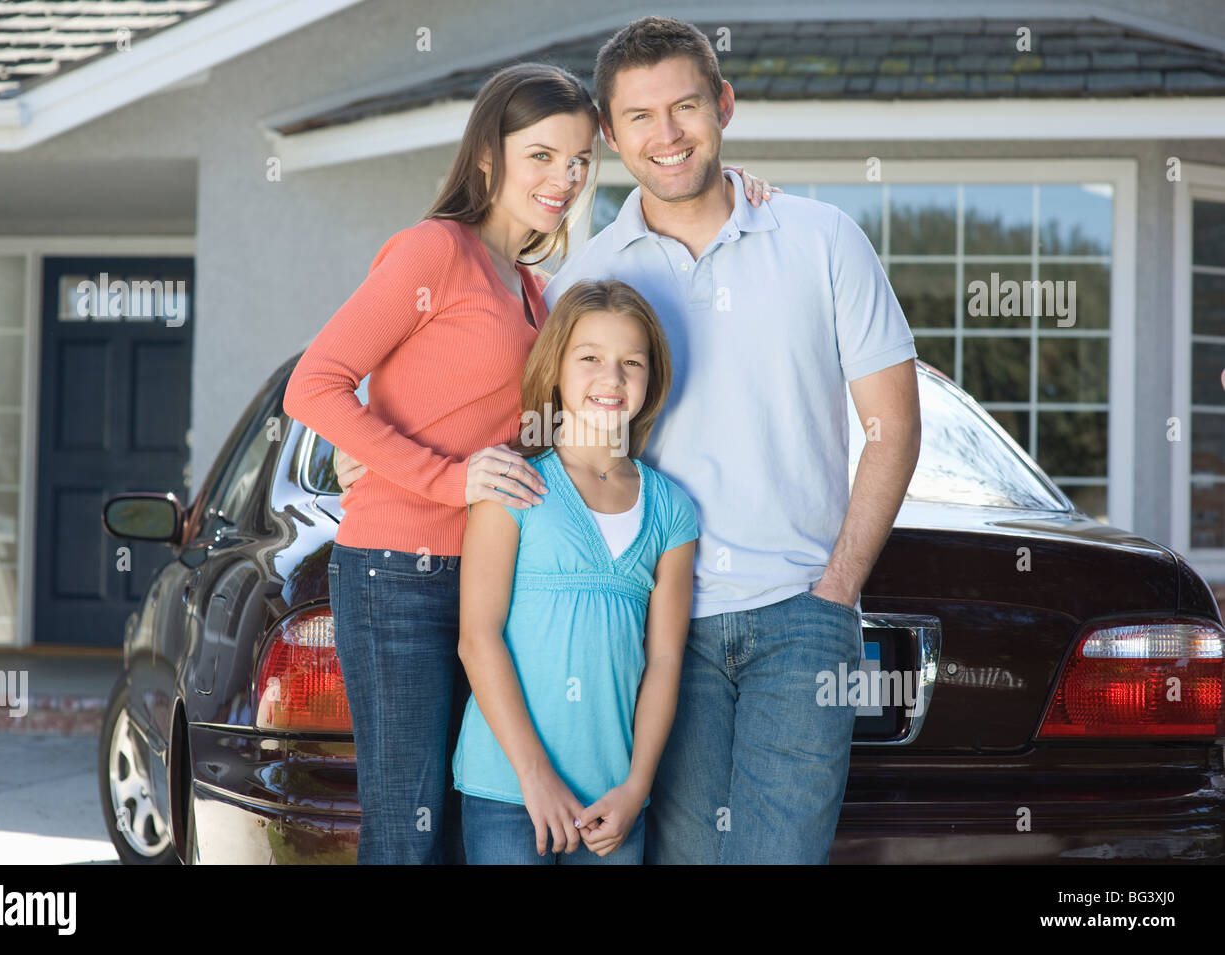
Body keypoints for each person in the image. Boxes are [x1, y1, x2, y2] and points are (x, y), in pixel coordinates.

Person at [284, 60, 775, 864]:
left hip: (492, 579)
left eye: (581, 159)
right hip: (398, 574)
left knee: (463, 821)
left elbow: (569, 408)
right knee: (408, 828)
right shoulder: (432, 252)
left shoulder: (537, 292)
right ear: (489, 157)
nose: (565, 177)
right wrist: (440, 475)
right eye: (541, 155)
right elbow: (315, 386)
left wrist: (728, 190)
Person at [538, 17, 922, 864]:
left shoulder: (822, 240)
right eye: (638, 116)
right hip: (654, 623)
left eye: (685, 107)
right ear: (609, 133)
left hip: (801, 618)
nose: (666, 134)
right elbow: (555, 452)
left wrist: (838, 589)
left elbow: (893, 424)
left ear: (724, 106)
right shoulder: (585, 279)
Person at [452, 279, 697, 864]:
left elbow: (664, 661)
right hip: (509, 790)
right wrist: (535, 777)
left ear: (651, 378)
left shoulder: (671, 510)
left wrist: (636, 788)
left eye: (631, 362)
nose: (611, 379)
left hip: (611, 802)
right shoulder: (512, 487)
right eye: (590, 358)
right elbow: (477, 639)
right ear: (556, 369)